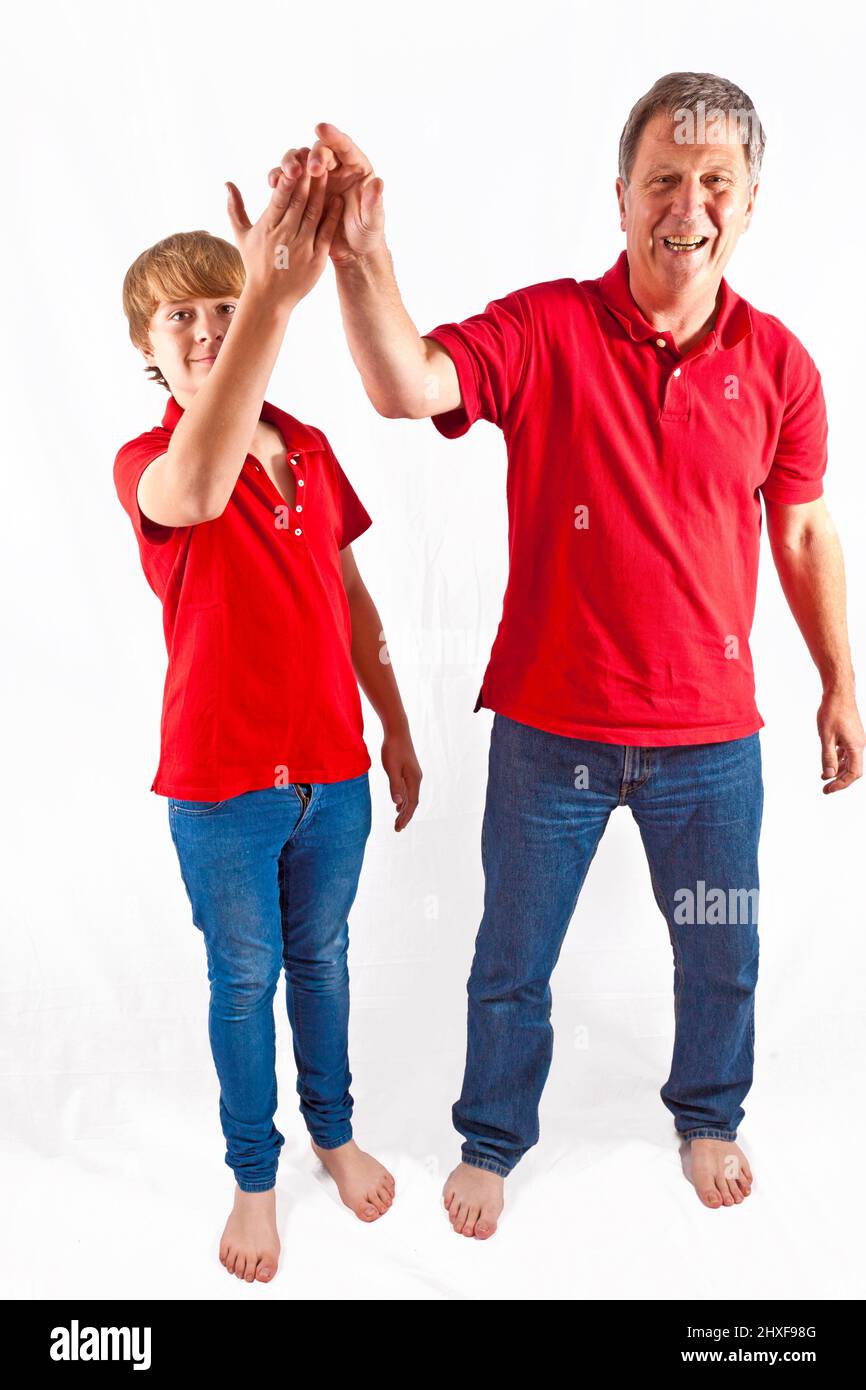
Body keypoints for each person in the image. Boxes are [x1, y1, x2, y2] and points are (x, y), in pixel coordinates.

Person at [273, 72, 864, 1239]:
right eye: (662, 180)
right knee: (511, 957)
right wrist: (359, 257)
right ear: (620, 195)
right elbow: (407, 384)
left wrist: (841, 678)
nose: (684, 204)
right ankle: (492, 1137)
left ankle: (707, 1113)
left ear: (747, 204)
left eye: (712, 183)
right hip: (552, 732)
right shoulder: (546, 326)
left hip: (710, 743)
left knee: (717, 951)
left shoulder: (782, 366)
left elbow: (797, 527)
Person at [113, 161, 422, 1282]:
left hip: (331, 778)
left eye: (223, 306)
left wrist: (392, 725)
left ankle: (332, 1134)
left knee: (324, 961)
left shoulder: (315, 450)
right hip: (220, 791)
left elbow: (351, 600)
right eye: (180, 316)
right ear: (147, 348)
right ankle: (256, 1176)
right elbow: (194, 492)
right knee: (244, 981)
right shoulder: (152, 463)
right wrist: (269, 302)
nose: (205, 328)